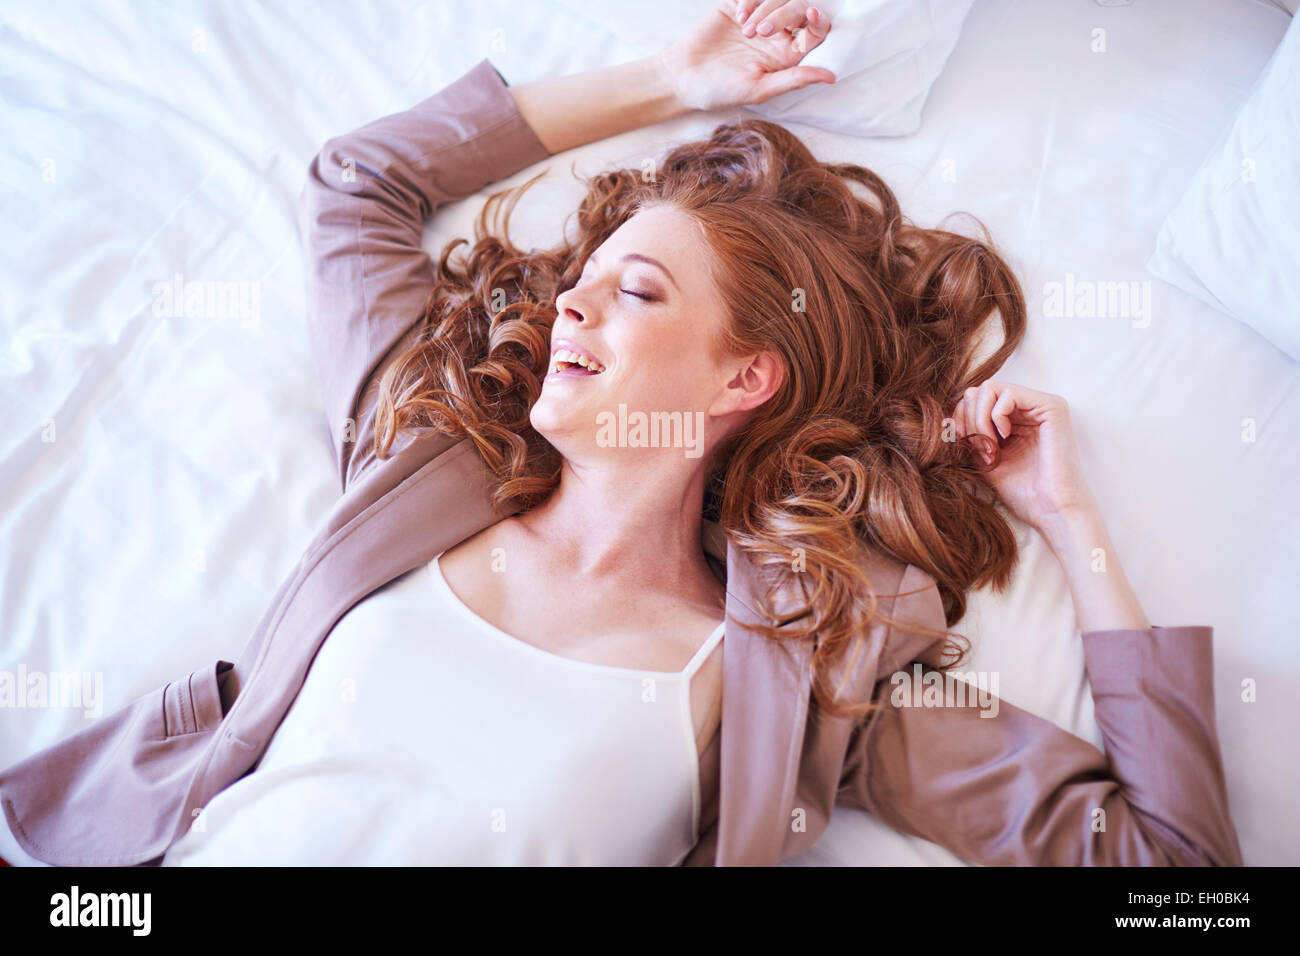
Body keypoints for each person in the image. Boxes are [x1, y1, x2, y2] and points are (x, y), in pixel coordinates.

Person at [0, 0, 1241, 867]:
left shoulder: (792, 679)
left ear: (744, 376)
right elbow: (357, 184)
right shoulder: (420, 461)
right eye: (581, 277)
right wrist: (671, 82)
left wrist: (1070, 522)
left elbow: (1170, 868)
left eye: (635, 289)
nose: (571, 301)